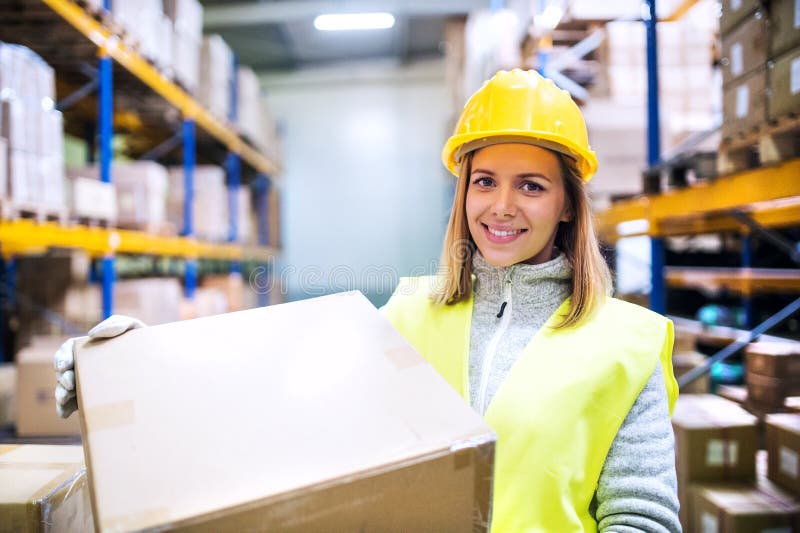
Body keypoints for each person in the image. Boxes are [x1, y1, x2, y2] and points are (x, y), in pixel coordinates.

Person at [54, 69, 680, 532]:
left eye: (532, 185)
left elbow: (643, 518)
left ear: (568, 202)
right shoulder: (407, 318)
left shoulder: (623, 345)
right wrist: (136, 371)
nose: (502, 205)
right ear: (463, 192)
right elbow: (272, 401)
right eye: (484, 181)